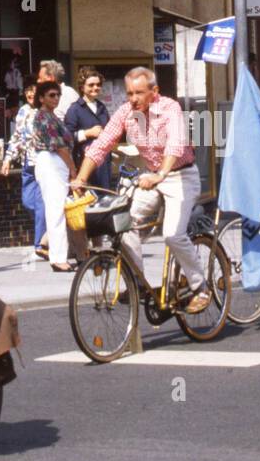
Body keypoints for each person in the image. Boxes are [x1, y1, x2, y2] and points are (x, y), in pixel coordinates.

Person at [71, 67, 213, 314]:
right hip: (151, 177)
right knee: (124, 225)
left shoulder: (170, 108)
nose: (133, 98)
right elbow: (102, 144)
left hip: (180, 175)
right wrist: (81, 178)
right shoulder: (127, 112)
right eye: (129, 93)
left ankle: (200, 287)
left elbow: (176, 144)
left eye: (138, 93)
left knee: (172, 235)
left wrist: (161, 174)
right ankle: (138, 282)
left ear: (154, 91)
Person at [29, 80, 79, 272]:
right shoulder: (43, 117)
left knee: (58, 209)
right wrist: (73, 170)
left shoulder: (52, 116)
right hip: (51, 162)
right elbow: (59, 147)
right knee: (55, 210)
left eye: (58, 95)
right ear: (41, 98)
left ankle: (59, 254)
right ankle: (58, 258)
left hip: (56, 163)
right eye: (51, 95)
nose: (56, 98)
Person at [0, 75, 47, 259]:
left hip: (43, 162)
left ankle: (39, 245)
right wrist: (7, 159)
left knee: (41, 204)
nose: (30, 93)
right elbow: (17, 136)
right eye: (27, 90)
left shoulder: (44, 111)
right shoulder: (23, 111)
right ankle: (48, 228)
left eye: (33, 90)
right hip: (28, 162)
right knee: (28, 202)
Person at [64, 67, 112, 189]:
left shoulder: (102, 108)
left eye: (98, 85)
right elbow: (66, 138)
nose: (95, 88)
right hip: (83, 163)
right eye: (91, 85)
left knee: (103, 198)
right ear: (82, 87)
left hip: (103, 164)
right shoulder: (74, 109)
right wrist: (87, 133)